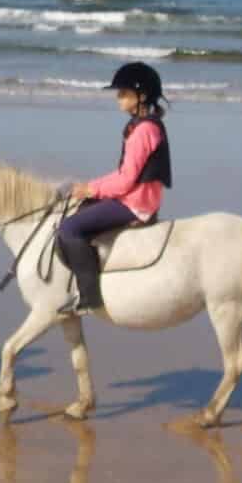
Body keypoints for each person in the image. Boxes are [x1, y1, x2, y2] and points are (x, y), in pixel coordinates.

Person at [55, 62, 173, 316]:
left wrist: (90, 190)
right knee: (82, 208)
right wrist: (90, 187)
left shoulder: (143, 131)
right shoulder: (144, 125)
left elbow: (125, 181)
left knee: (69, 227)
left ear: (141, 96)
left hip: (135, 204)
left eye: (123, 94)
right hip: (137, 197)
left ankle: (89, 296)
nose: (118, 98)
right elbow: (123, 176)